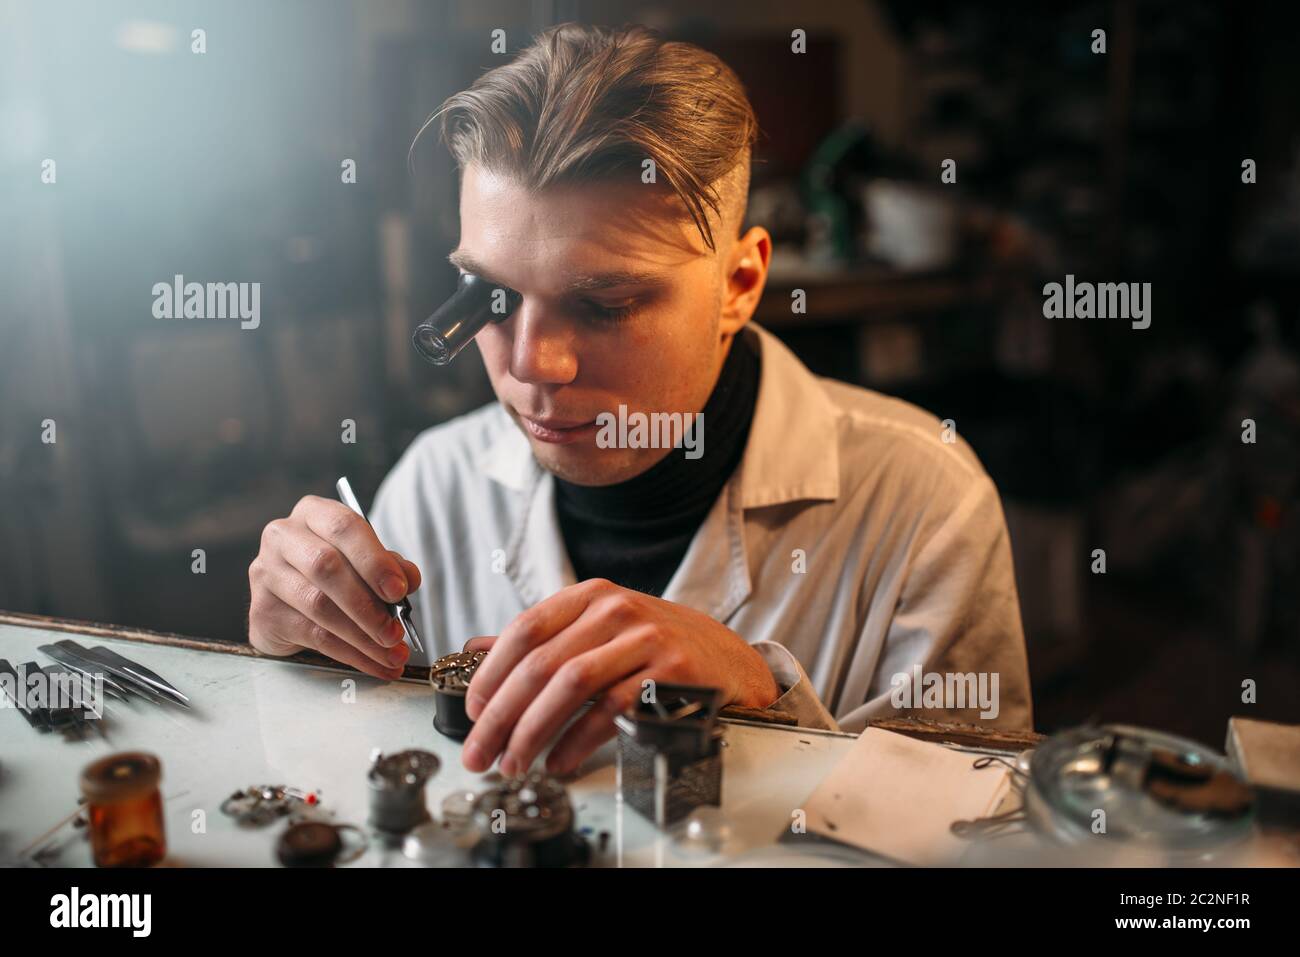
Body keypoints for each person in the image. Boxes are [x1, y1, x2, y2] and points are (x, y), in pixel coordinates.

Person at [248, 23, 1032, 778]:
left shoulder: (926, 504)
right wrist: (301, 672)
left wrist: (765, 695)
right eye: (489, 296)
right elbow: (362, 779)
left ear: (740, 285)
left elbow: (980, 827)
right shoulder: (436, 483)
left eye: (604, 304)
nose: (532, 365)